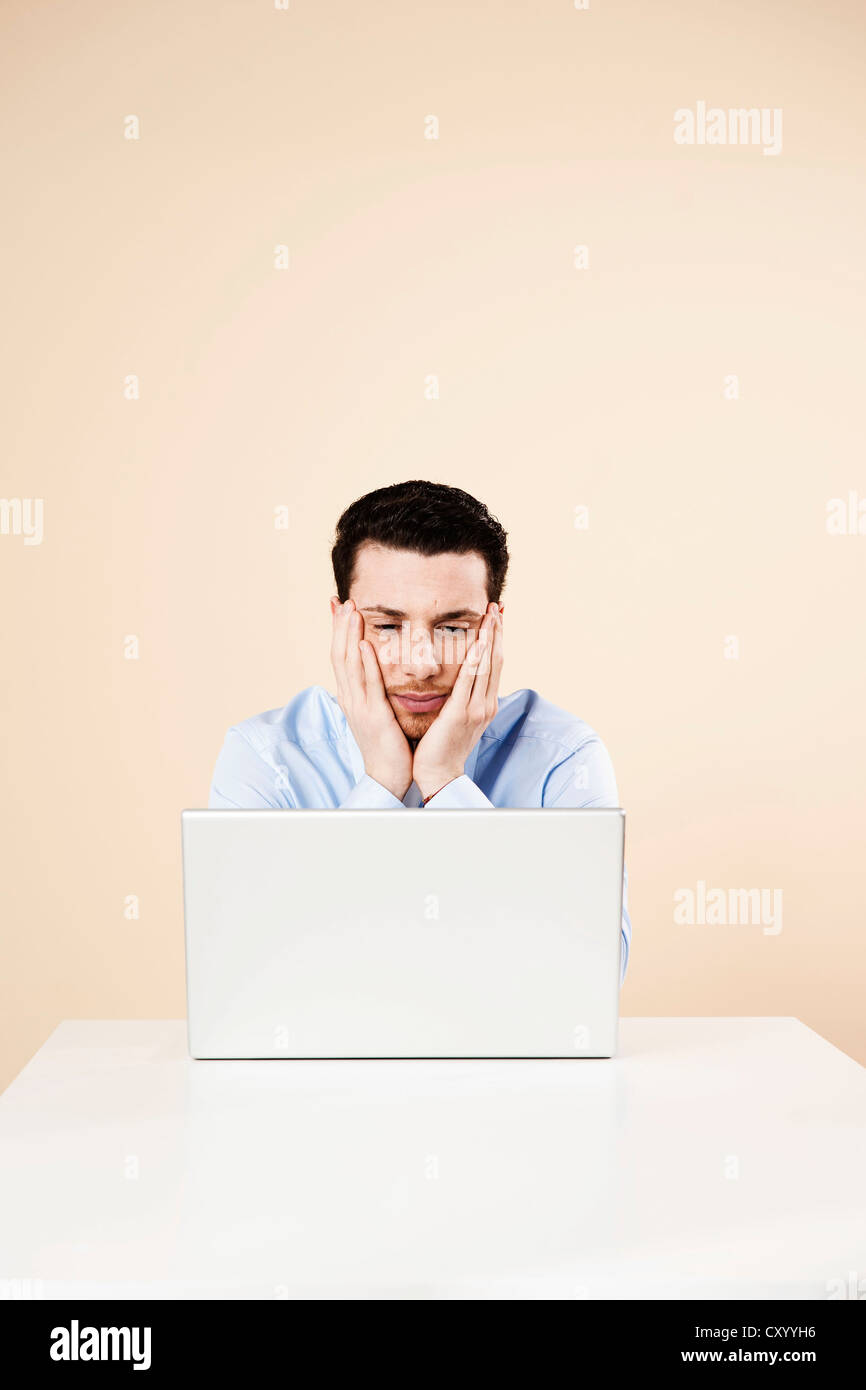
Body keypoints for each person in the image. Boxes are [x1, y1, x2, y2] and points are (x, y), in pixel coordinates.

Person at [209, 479, 631, 980]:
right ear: (340, 622)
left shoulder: (564, 756)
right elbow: (243, 971)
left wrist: (446, 781)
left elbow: (597, 972)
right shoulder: (263, 756)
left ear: (493, 628)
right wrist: (383, 782)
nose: (421, 664)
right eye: (386, 626)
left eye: (453, 628)